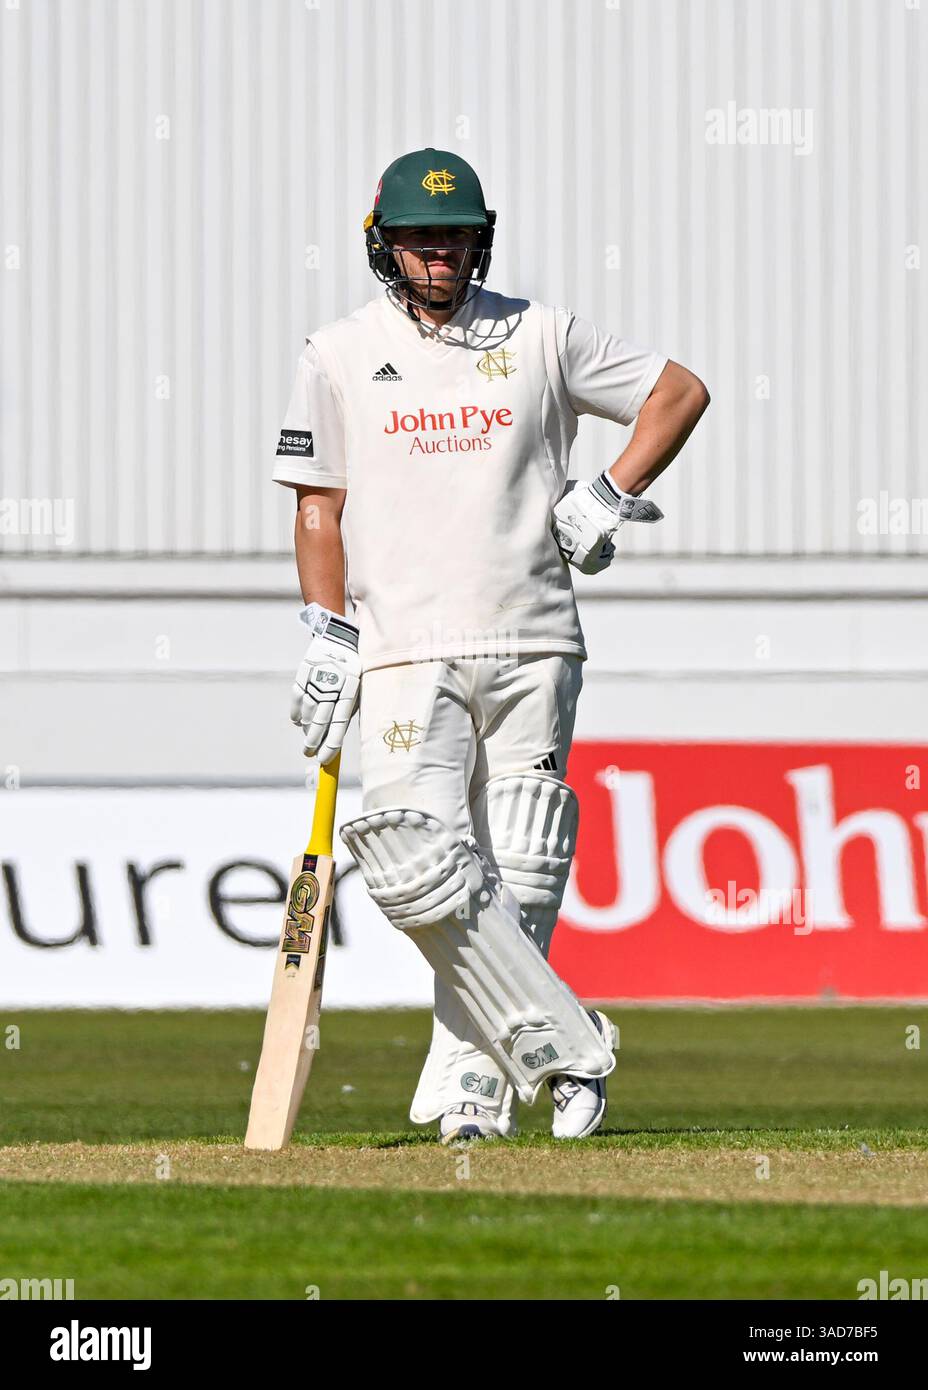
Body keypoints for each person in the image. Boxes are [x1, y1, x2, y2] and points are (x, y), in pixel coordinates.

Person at [272, 147, 709, 1142]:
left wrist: (609, 490)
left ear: (482, 240)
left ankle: (473, 1086)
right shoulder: (336, 352)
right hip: (398, 647)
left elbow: (677, 391)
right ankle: (567, 1038)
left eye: (458, 239)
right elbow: (317, 510)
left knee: (522, 867)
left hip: (533, 637)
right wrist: (325, 631)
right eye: (423, 241)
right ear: (383, 245)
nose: (441, 257)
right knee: (408, 864)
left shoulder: (540, 333)